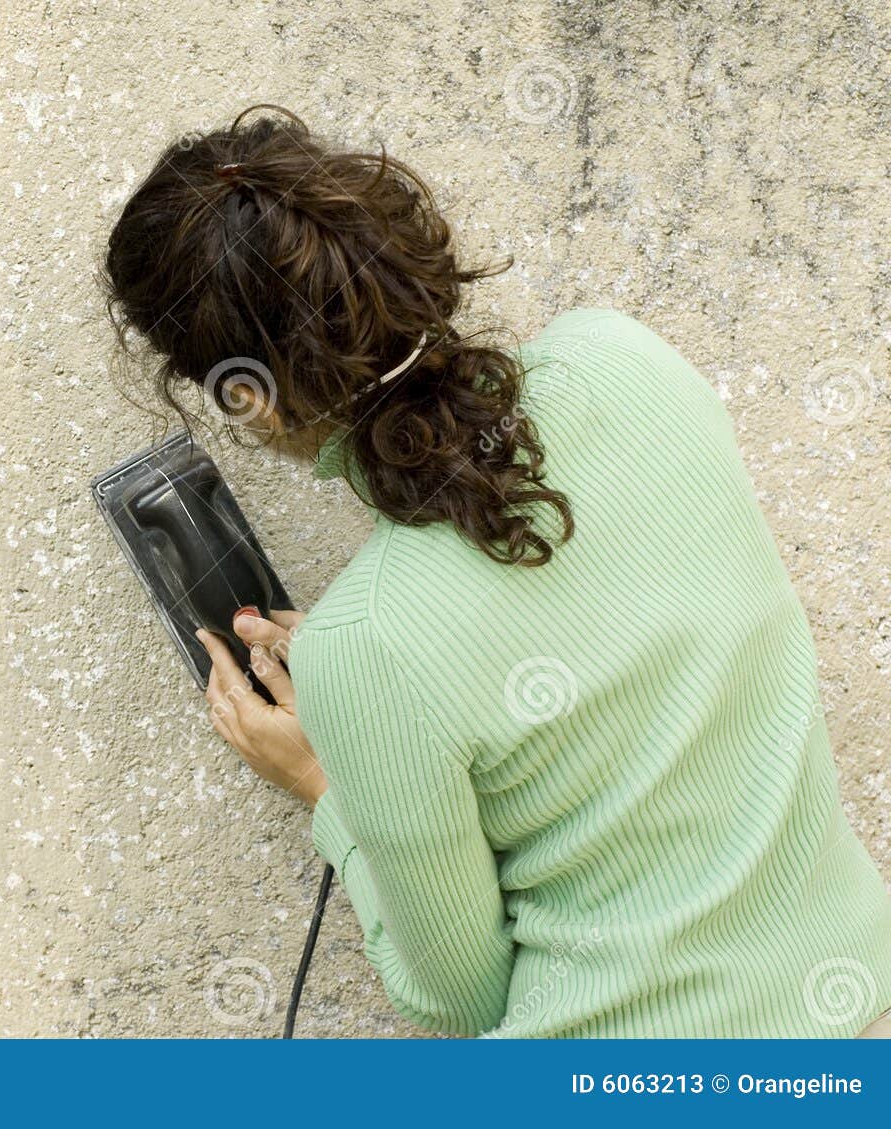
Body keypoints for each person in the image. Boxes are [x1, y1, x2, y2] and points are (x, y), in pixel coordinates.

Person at [103, 105, 891, 1037]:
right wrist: (385, 690)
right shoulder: (625, 360)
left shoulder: (368, 644)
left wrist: (328, 782)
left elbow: (461, 1000)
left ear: (255, 404)